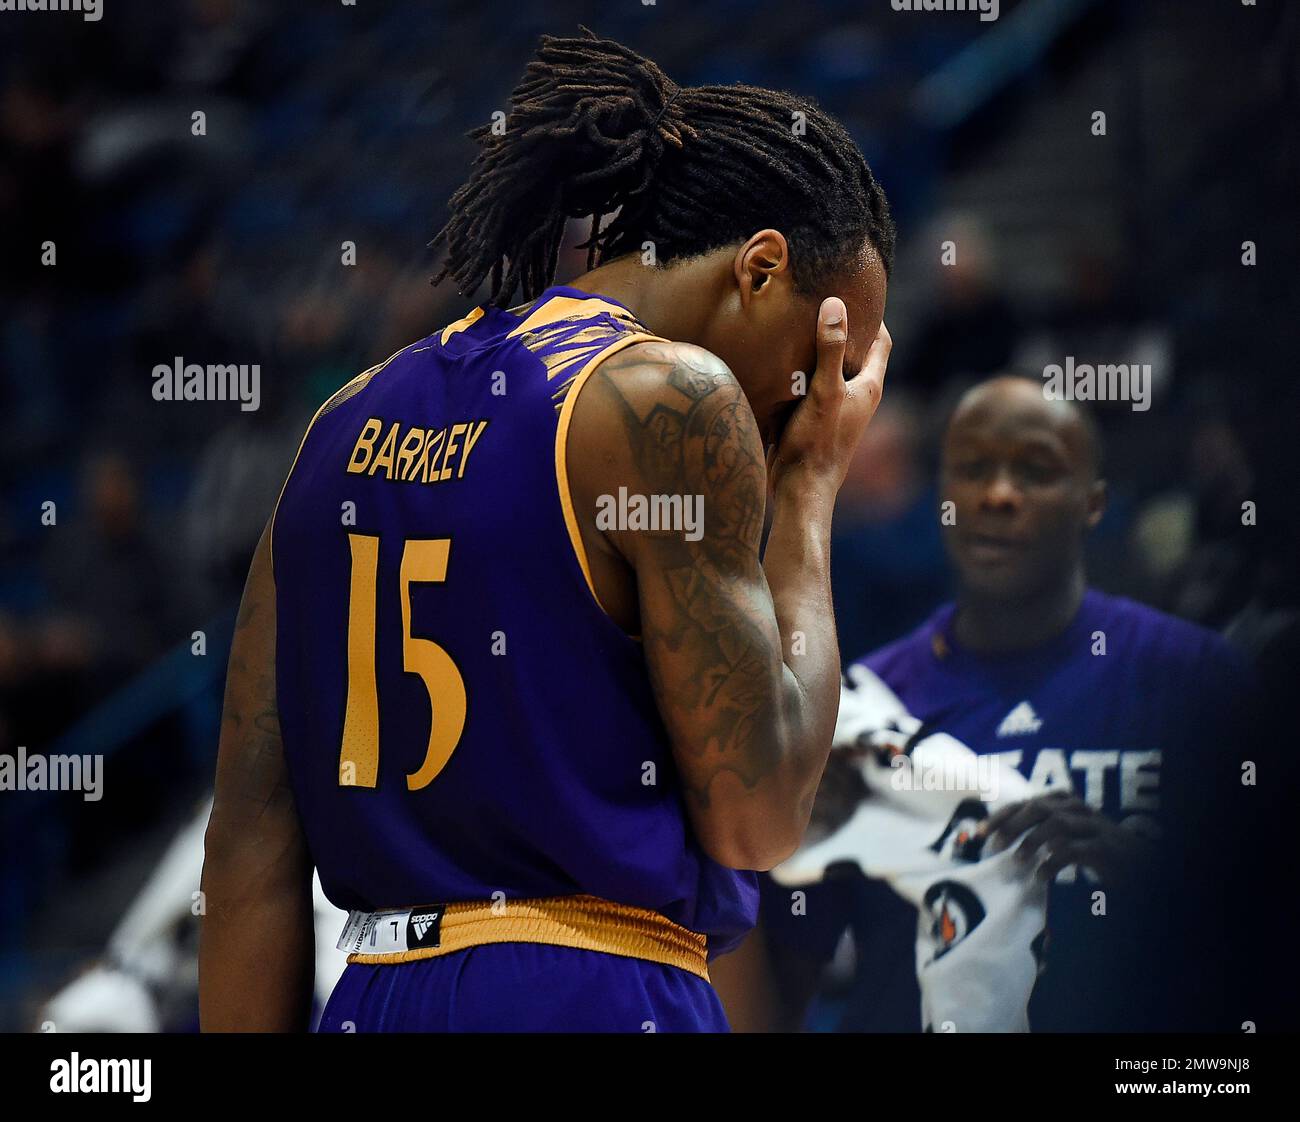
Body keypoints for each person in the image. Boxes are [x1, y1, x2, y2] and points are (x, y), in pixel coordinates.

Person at [198, 27, 895, 1032]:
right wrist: (814, 485)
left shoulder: (344, 416)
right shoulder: (670, 398)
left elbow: (248, 843)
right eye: (824, 357)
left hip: (373, 996)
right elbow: (760, 815)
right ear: (760, 270)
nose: (810, 400)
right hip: (588, 990)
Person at [721, 375, 1250, 1032]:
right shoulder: (860, 710)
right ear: (941, 495)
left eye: (1036, 471)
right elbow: (779, 988)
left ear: (1093, 503)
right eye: (972, 469)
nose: (998, 495)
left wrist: (1140, 874)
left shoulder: (1201, 681)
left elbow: (1268, 934)